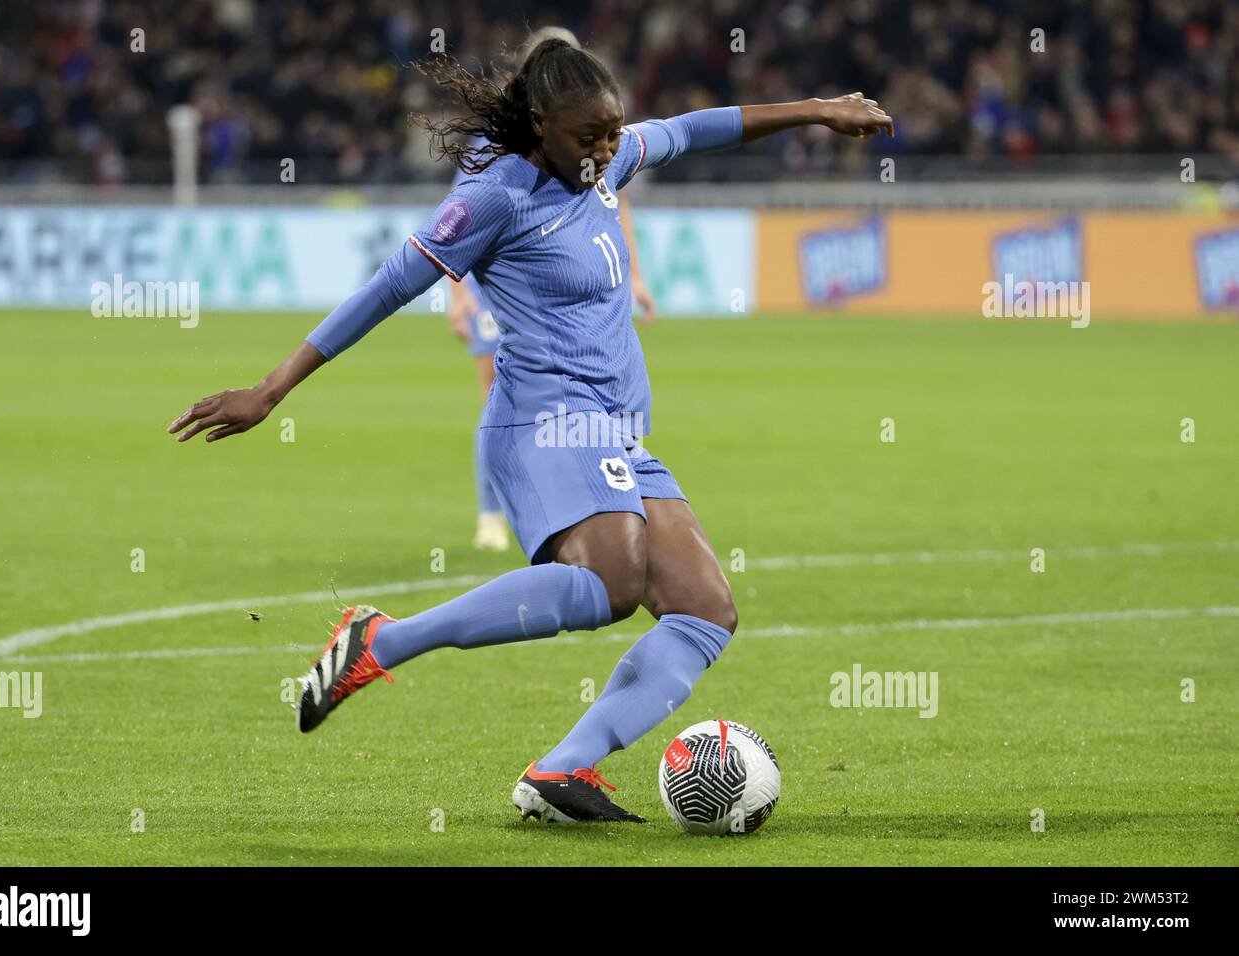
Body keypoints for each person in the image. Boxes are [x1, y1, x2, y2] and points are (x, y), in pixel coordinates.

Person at [167, 37, 893, 823]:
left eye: (614, 135)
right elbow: (387, 288)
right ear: (541, 124)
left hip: (618, 430)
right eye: (589, 138)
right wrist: (272, 389)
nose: (607, 151)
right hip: (544, 419)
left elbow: (691, 128)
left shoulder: (605, 165)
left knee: (704, 608)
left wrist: (817, 111)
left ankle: (559, 772)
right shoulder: (495, 196)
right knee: (612, 582)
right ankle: (381, 639)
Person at [449, 27, 656, 552]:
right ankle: (493, 515)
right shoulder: (493, 149)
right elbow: (456, 225)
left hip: (563, 301)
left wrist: (632, 276)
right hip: (497, 295)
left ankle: (569, 506)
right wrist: (458, 296)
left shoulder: (587, 141)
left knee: (574, 413)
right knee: (499, 403)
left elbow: (615, 205)